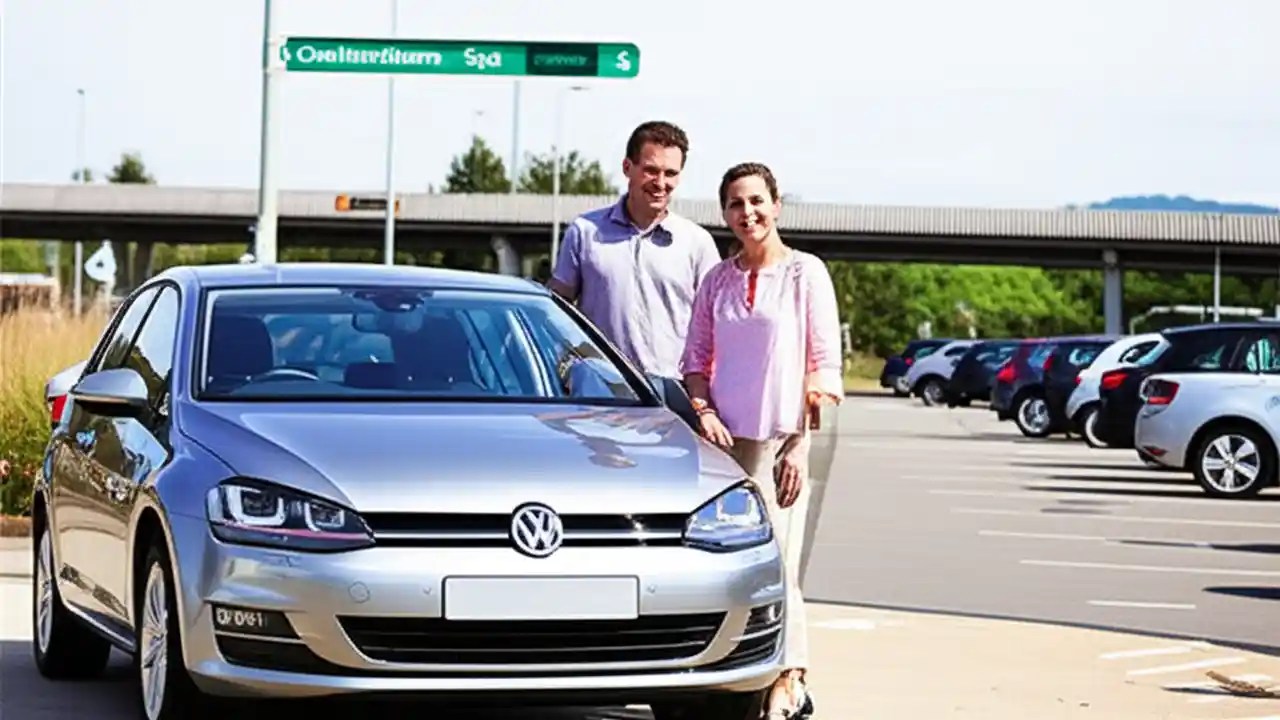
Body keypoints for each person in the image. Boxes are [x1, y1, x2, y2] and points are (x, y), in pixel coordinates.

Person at [679, 161, 843, 719]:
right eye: (734, 204)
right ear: (724, 213)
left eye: (756, 201)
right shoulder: (717, 280)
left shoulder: (806, 274)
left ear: (777, 205)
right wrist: (702, 410)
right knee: (732, 566)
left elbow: (822, 365)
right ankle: (730, 668)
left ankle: (791, 678)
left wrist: (800, 443)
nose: (746, 213)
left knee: (781, 563)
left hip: (782, 443)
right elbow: (694, 362)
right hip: (725, 448)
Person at [547, 120, 722, 383]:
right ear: (627, 167)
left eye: (671, 173)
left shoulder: (697, 243)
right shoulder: (584, 232)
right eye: (651, 170)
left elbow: (717, 327)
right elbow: (555, 309)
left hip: (675, 392)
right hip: (601, 388)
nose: (661, 183)